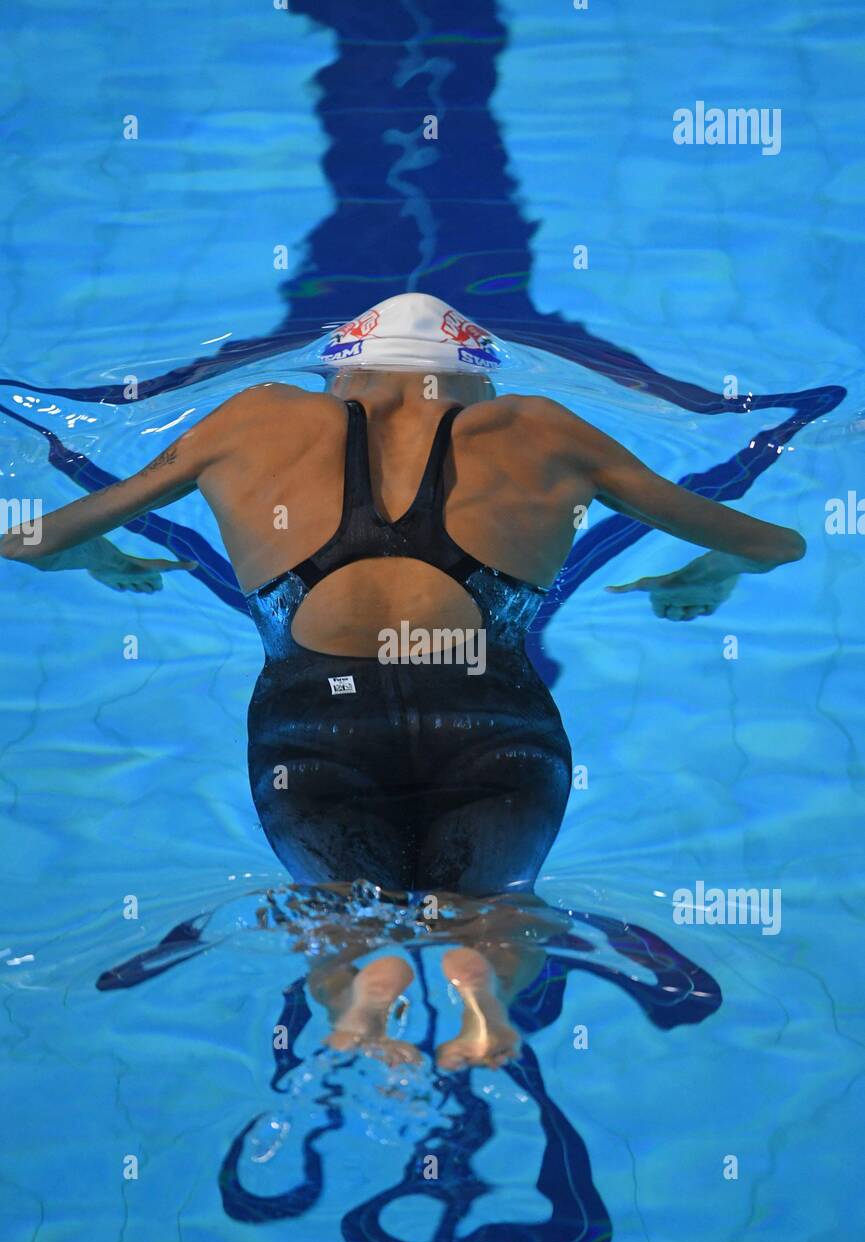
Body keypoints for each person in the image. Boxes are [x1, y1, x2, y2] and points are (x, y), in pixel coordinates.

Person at [1, 292, 806, 899]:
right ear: (475, 378)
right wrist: (708, 573)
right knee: (489, 923)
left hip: (315, 731)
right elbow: (773, 543)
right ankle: (479, 998)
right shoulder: (541, 430)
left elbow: (28, 539)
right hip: (495, 727)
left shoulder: (253, 419)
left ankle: (361, 1006)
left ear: (341, 370)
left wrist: (100, 563)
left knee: (337, 925)